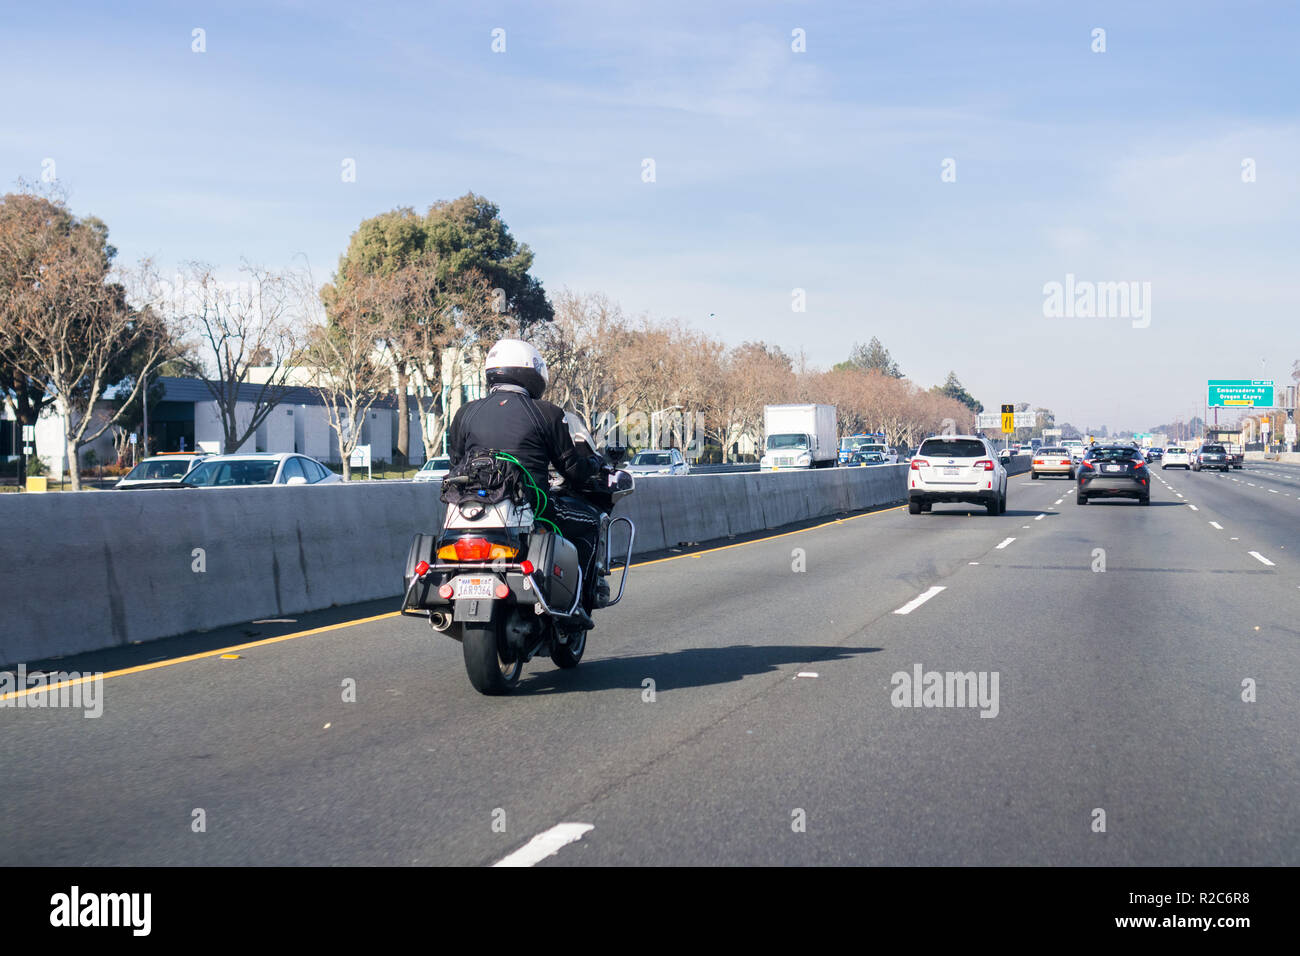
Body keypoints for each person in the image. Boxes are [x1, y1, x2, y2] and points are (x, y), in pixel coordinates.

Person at [447, 338, 607, 626]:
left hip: (471, 507)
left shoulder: (465, 412)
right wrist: (595, 464)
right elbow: (572, 469)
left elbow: (455, 462)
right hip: (533, 506)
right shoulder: (547, 413)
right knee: (591, 522)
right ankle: (580, 602)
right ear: (531, 373)